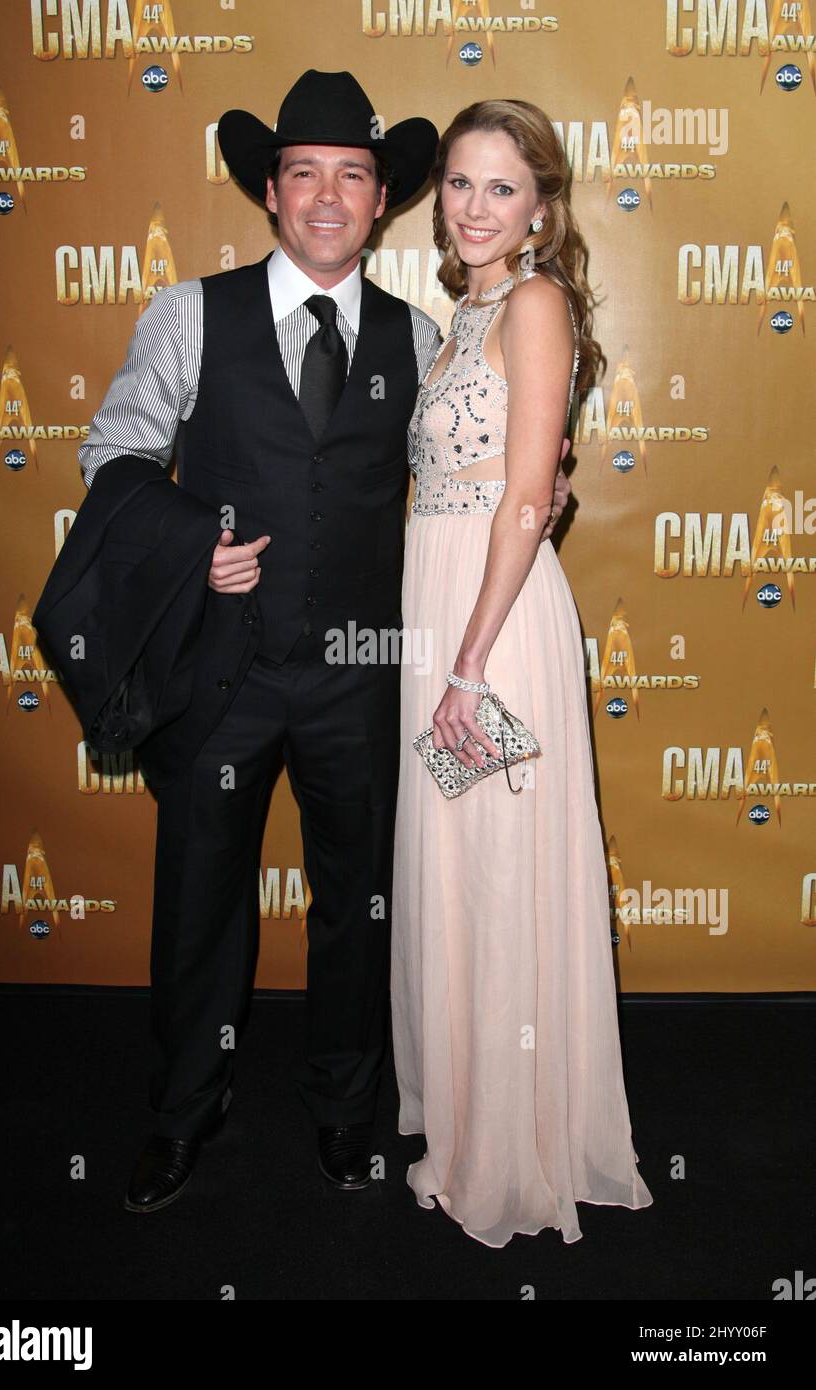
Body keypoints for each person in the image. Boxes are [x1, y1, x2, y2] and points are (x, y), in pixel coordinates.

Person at [77, 71, 573, 1214]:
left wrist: (548, 486)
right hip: (225, 666)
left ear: (383, 197)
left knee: (363, 903)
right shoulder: (187, 313)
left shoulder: (421, 330)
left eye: (352, 174)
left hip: (367, 674)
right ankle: (181, 1112)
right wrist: (188, 539)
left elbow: (487, 464)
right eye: (302, 171)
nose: (327, 196)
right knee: (202, 894)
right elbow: (112, 456)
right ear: (269, 189)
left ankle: (350, 1117)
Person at [390, 99, 654, 1246]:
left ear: (540, 205)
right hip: (445, 610)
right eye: (457, 183)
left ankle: (514, 1148)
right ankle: (468, 1118)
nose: (475, 206)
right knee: (458, 870)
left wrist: (466, 663)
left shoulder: (534, 303)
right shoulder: (463, 311)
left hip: (489, 630)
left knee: (497, 869)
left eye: (501, 187)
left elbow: (525, 497)